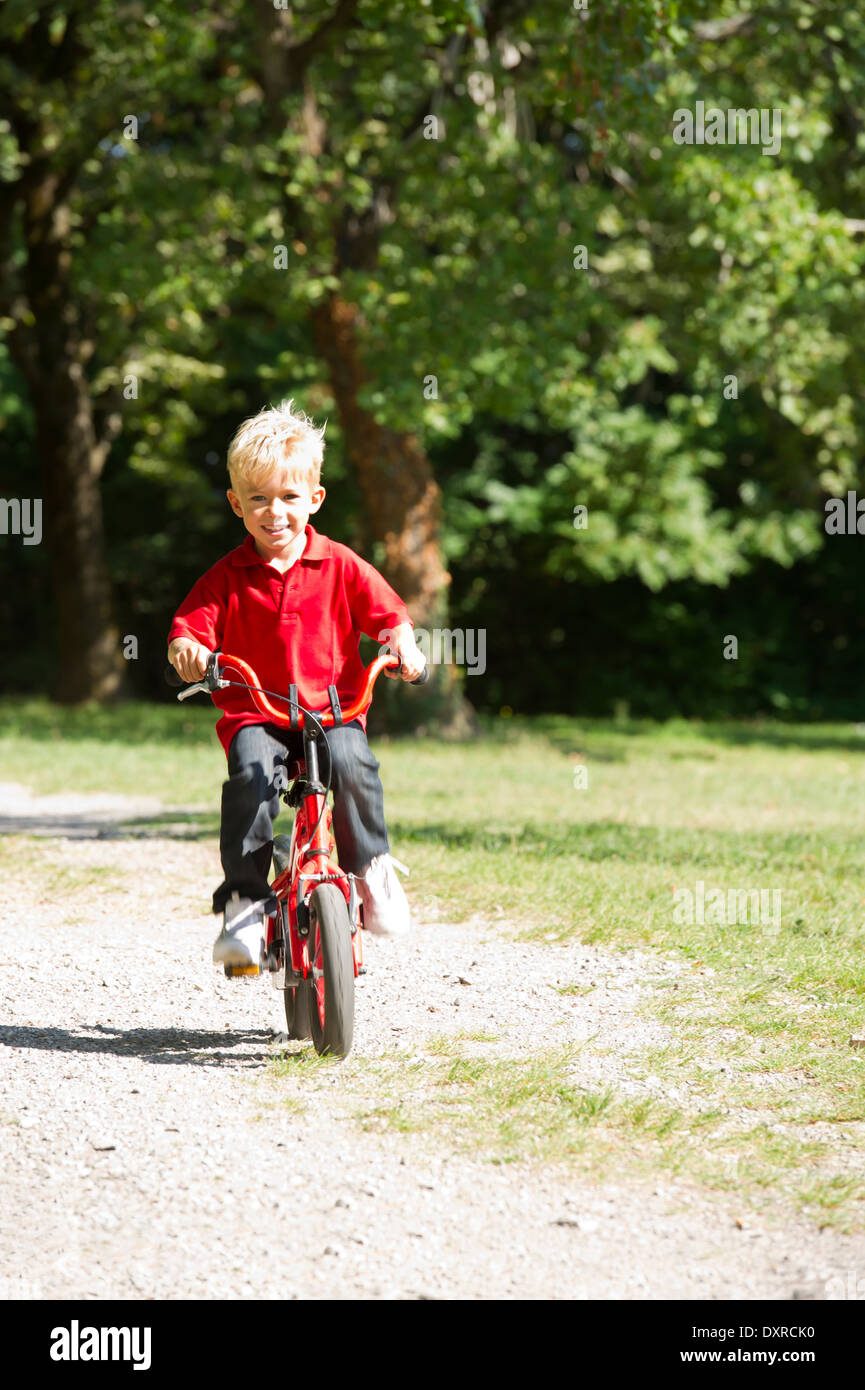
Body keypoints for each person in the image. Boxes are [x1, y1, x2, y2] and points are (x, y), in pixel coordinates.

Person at [167, 399, 426, 972]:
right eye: (258, 498)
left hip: (332, 711)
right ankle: (245, 904)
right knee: (251, 782)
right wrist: (189, 652)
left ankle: (370, 872)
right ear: (237, 504)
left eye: (288, 497)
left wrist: (401, 643)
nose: (274, 511)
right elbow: (188, 633)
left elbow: (389, 615)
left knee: (355, 766)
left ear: (315, 499)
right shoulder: (225, 577)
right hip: (255, 714)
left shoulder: (339, 563)